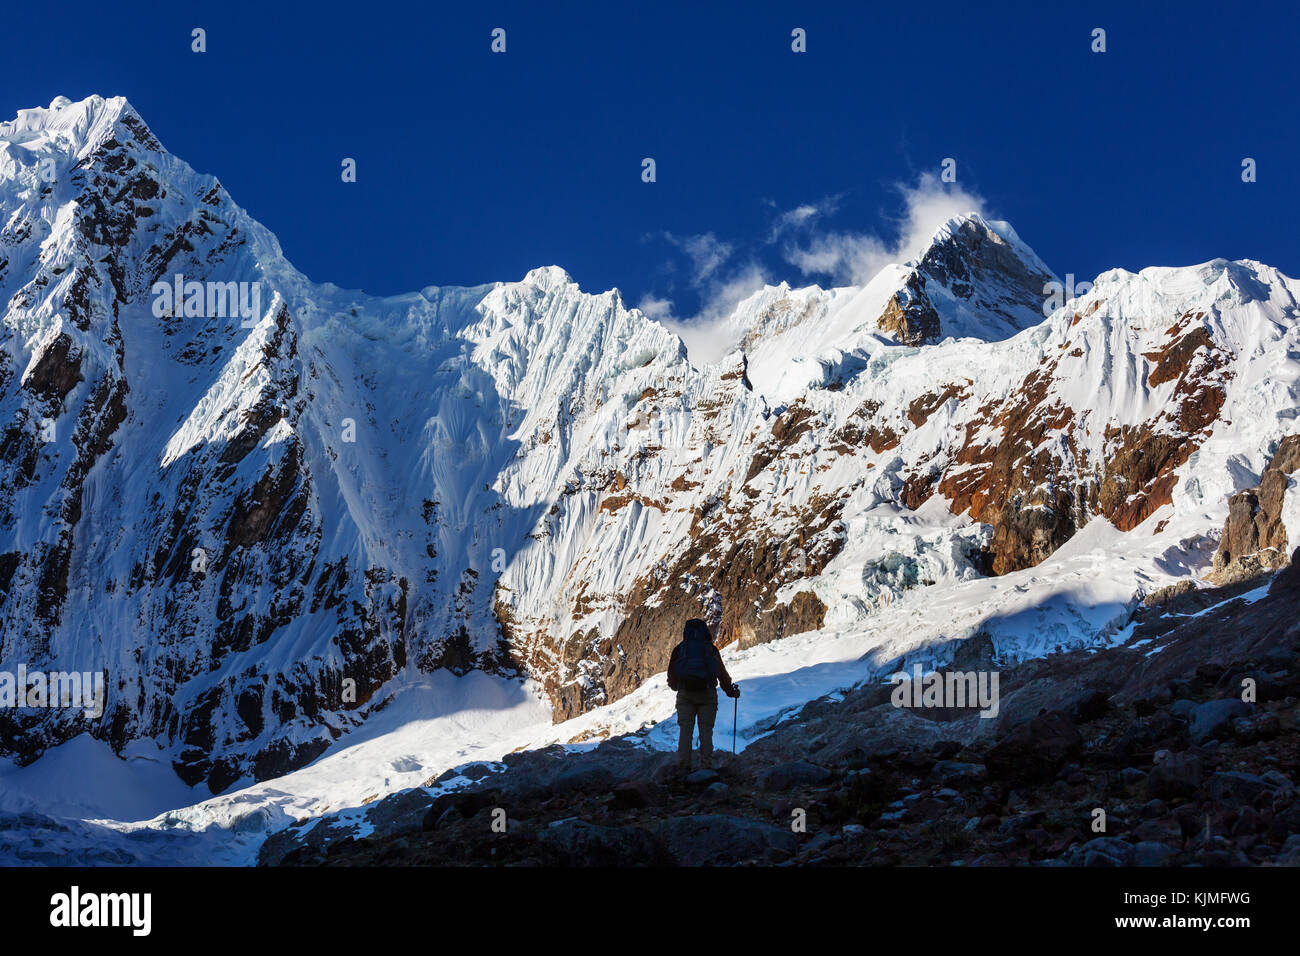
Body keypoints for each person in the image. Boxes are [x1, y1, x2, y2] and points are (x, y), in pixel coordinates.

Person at [666, 618, 739, 770]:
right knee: (706, 731)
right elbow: (721, 674)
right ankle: (706, 768)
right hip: (707, 694)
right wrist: (730, 691)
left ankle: (683, 768)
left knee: (685, 731)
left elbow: (672, 675)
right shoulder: (710, 649)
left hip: (685, 694)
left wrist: (677, 687)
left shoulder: (680, 649)